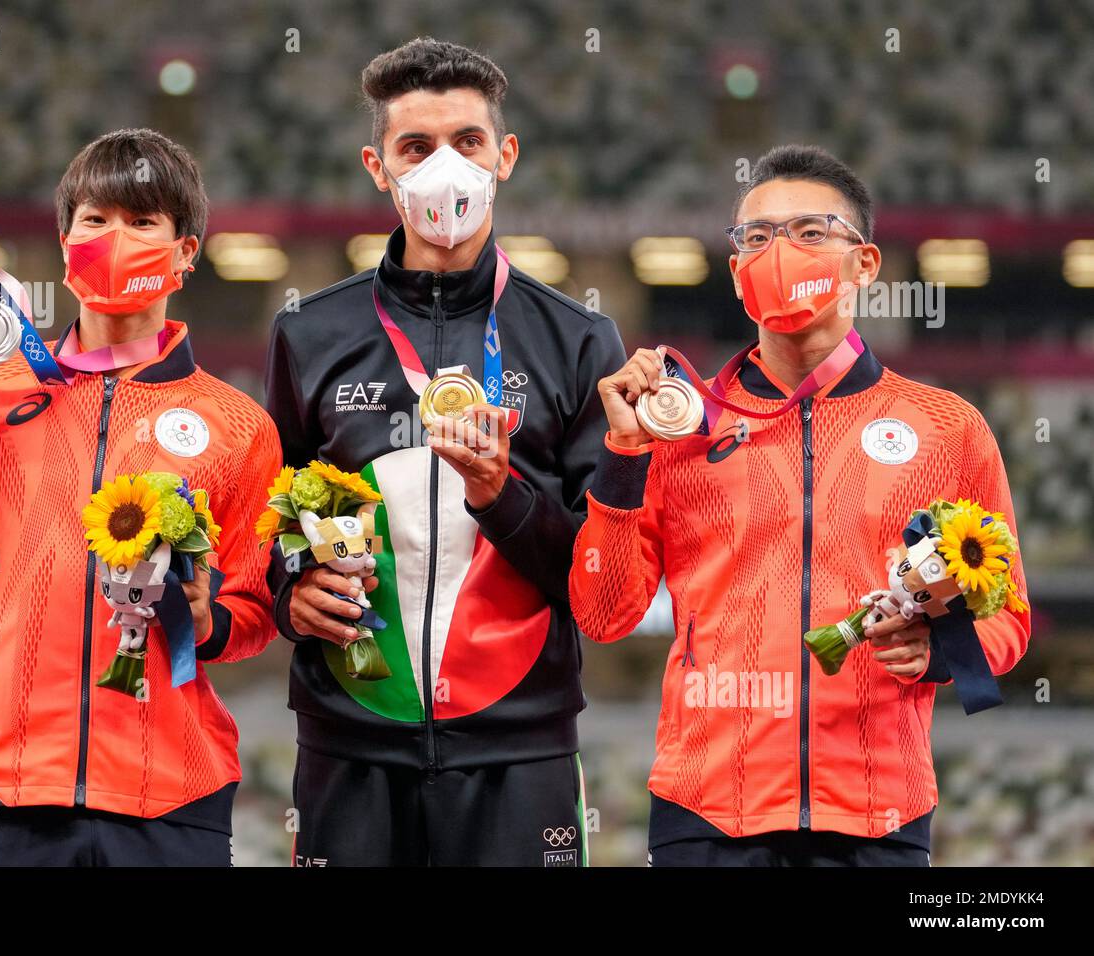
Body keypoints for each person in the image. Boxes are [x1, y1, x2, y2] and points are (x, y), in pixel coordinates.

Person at [569, 144, 1031, 866]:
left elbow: (1008, 616)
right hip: (705, 814)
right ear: (736, 273)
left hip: (880, 814)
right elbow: (602, 613)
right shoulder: (680, 426)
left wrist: (939, 651)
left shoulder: (946, 428)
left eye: (809, 232)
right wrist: (624, 457)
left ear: (866, 264)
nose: (779, 251)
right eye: (757, 238)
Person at [265, 38, 626, 866]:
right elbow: (269, 520)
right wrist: (292, 594)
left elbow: (598, 580)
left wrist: (500, 493)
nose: (445, 169)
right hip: (349, 740)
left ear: (505, 155)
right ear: (377, 166)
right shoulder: (308, 333)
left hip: (518, 750)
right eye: (415, 148)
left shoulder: (577, 339)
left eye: (466, 142)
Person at [0, 128, 281, 866]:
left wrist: (204, 621)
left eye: (143, 222)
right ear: (65, 242)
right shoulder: (0, 390)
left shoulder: (238, 425)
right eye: (96, 219)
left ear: (185, 253)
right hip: (12, 788)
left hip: (174, 793)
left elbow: (258, 608)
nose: (115, 238)